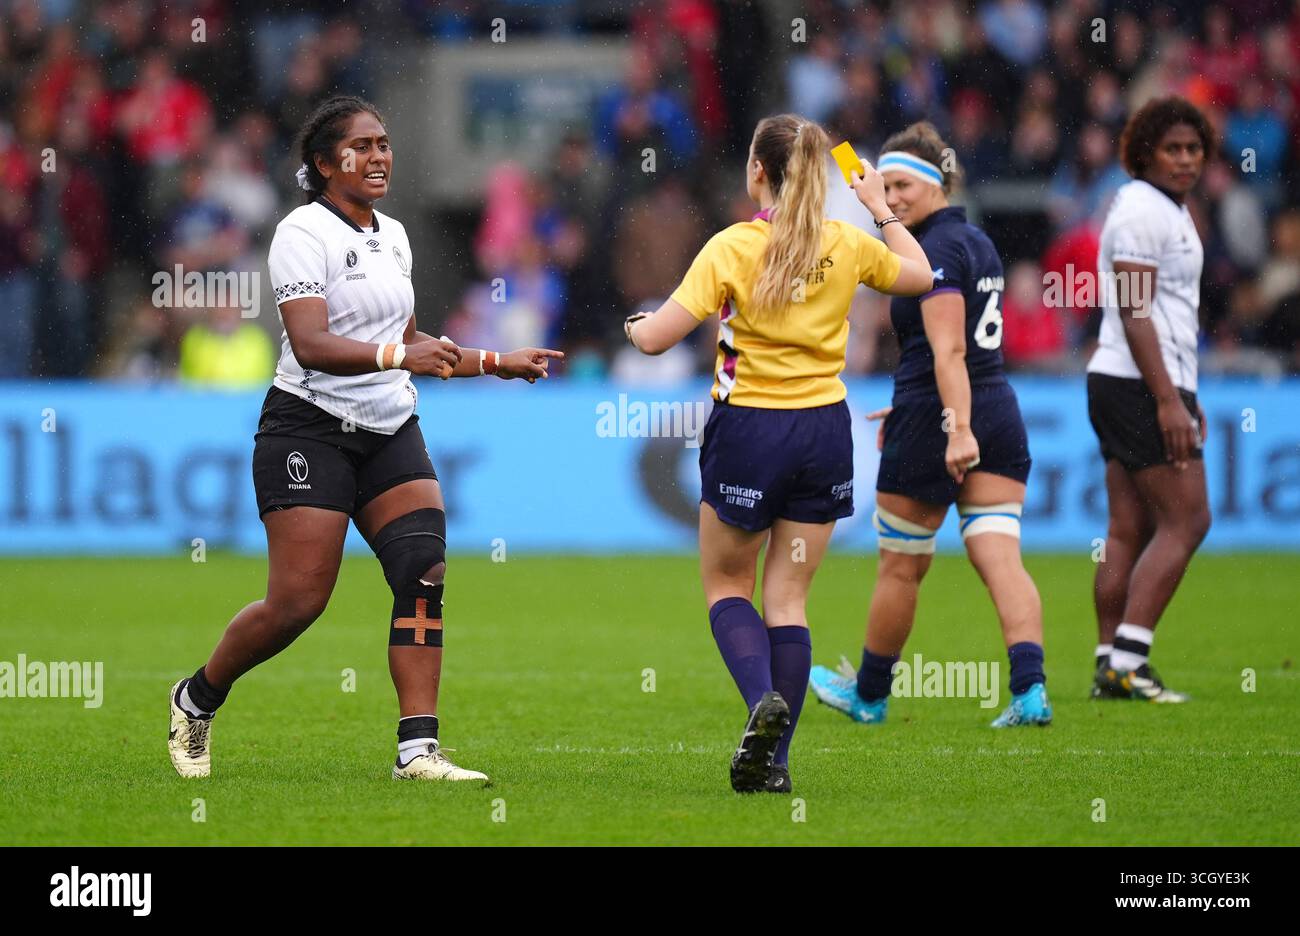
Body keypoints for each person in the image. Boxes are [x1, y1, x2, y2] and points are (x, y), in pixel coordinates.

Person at [167, 95, 562, 783]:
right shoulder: (301, 233)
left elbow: (409, 343)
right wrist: (395, 358)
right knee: (298, 603)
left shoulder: (395, 235)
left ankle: (418, 753)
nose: (380, 155)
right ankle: (198, 697)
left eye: (384, 143)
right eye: (363, 146)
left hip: (388, 425)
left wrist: (496, 362)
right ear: (324, 164)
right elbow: (311, 343)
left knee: (423, 571)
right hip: (308, 428)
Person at [624, 114, 932, 792]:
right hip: (824, 431)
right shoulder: (847, 242)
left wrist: (635, 321)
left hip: (750, 431)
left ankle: (760, 697)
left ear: (756, 173)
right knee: (788, 599)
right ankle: (776, 763)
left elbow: (653, 342)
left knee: (728, 587)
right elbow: (919, 275)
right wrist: (881, 207)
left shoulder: (733, 246)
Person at [807, 122, 1051, 729]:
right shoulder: (975, 241)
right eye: (883, 186)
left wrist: (950, 424)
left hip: (944, 416)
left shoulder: (934, 251)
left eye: (901, 185)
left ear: (935, 183)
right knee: (1000, 556)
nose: (890, 198)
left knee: (901, 565)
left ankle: (868, 695)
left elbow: (947, 352)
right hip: (996, 408)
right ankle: (1031, 691)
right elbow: (965, 350)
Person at [1086, 97, 1215, 702]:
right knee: (1189, 517)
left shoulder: (1165, 207)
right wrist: (1169, 400)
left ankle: (1109, 659)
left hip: (1135, 377)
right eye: (1173, 149)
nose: (1186, 160)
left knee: (1129, 526)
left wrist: (1185, 392)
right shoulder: (1142, 209)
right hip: (1138, 381)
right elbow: (1137, 310)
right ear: (1145, 153)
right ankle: (1129, 661)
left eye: (1194, 149)